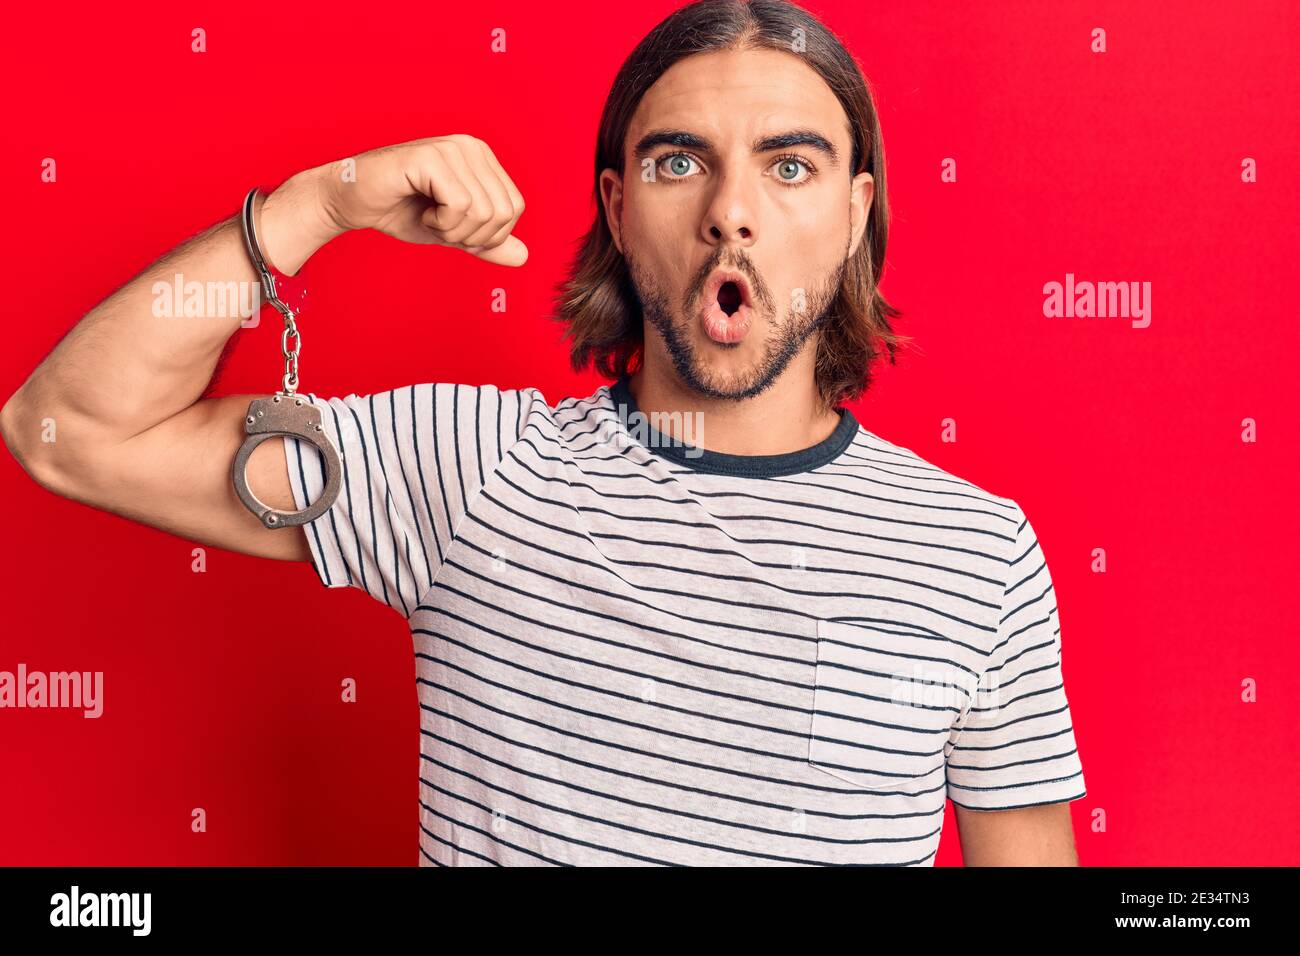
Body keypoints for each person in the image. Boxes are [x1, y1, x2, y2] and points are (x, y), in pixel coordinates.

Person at [0, 0, 1086, 866]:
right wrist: (316, 206)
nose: (731, 210)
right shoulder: (470, 469)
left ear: (854, 214)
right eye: (679, 162)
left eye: (788, 166)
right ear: (617, 210)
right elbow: (67, 430)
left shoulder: (976, 556)